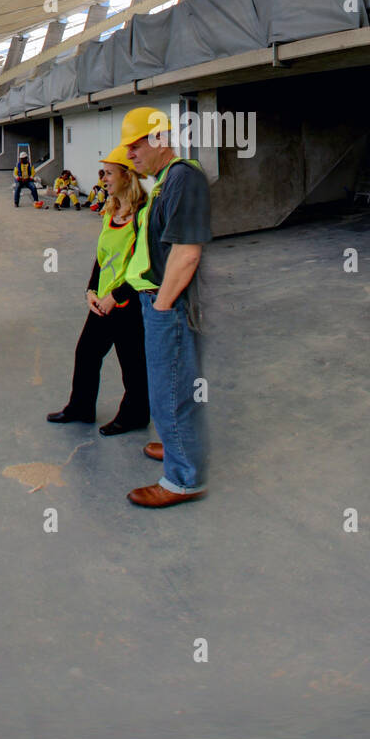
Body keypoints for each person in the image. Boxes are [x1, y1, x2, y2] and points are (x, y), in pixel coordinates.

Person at [121, 107, 213, 508]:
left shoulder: (182, 179)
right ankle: (181, 447)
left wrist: (161, 305)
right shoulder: (165, 182)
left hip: (167, 303)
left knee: (169, 393)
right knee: (174, 387)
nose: (130, 154)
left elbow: (187, 252)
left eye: (136, 145)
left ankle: (182, 479)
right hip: (157, 300)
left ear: (159, 141)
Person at [48, 150, 149, 434]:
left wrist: (114, 297)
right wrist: (91, 290)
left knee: (132, 364)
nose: (102, 178)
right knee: (87, 353)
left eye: (108, 173)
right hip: (103, 302)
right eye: (101, 173)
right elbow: (102, 258)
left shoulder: (143, 215)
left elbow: (146, 266)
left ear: (127, 176)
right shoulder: (110, 210)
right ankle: (81, 408)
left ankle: (135, 415)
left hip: (128, 303)